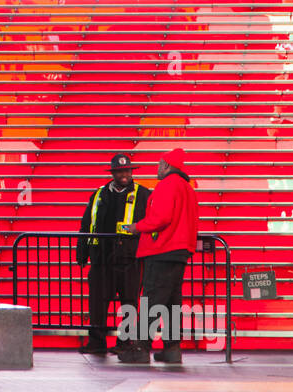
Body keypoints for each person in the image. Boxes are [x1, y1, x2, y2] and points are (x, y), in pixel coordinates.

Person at [119, 147, 200, 365]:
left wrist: (136, 227)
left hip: (162, 249)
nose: (157, 170)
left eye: (158, 165)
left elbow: (160, 218)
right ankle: (172, 348)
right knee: (172, 302)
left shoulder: (167, 185)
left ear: (166, 165)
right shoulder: (188, 188)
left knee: (152, 300)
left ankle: (140, 348)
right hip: (180, 252)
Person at [76, 153, 151, 355]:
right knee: (97, 301)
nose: (124, 174)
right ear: (113, 173)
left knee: (129, 302)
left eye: (127, 170)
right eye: (119, 171)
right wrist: (81, 253)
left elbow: (152, 225)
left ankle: (124, 342)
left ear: (131, 172)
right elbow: (86, 224)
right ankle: (97, 342)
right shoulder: (99, 194)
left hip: (130, 258)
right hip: (101, 258)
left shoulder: (144, 194)